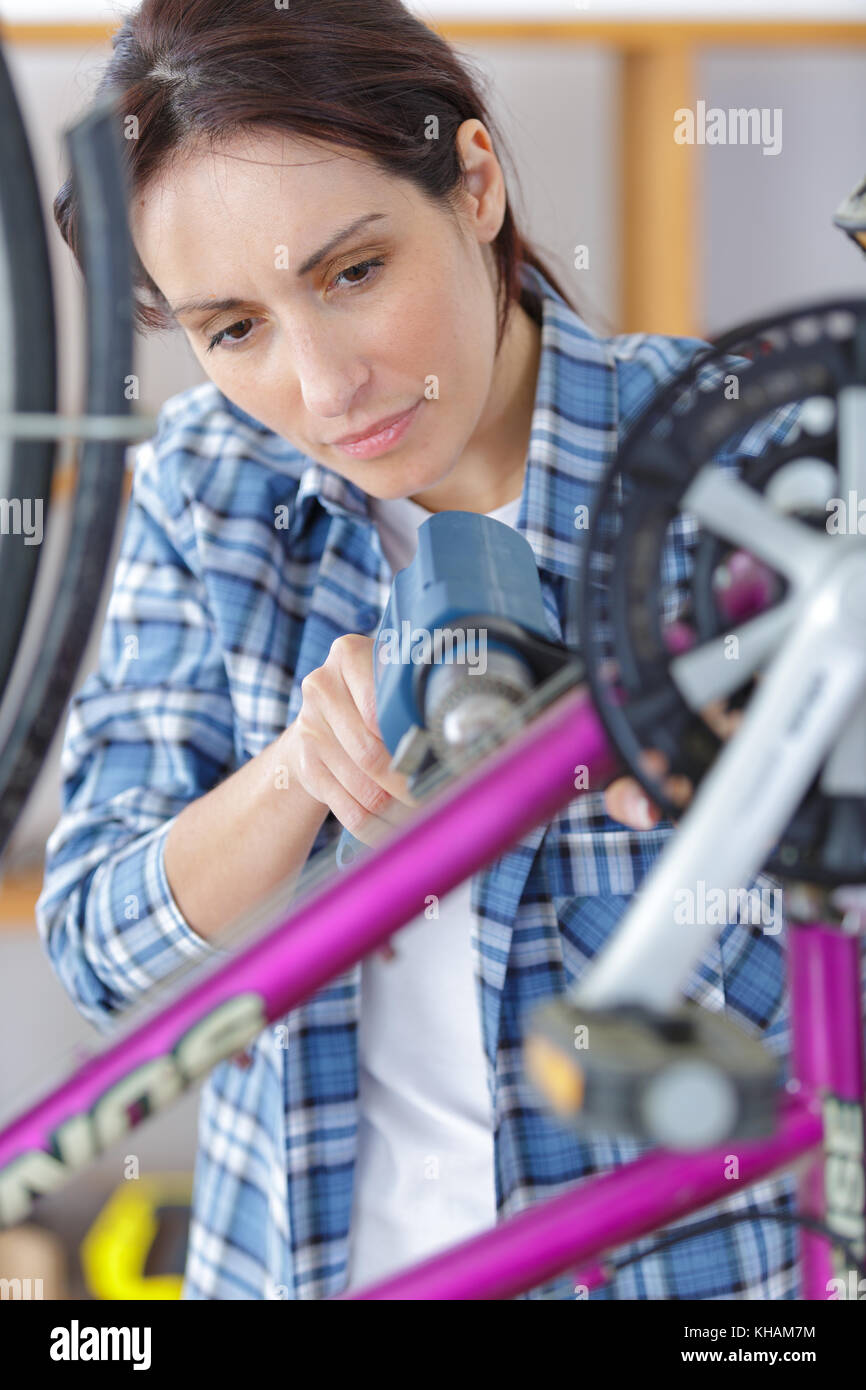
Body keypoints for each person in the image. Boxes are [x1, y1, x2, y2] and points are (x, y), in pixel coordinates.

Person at [39, 0, 800, 1300]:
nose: (322, 384)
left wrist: (739, 800)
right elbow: (98, 951)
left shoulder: (747, 473)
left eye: (351, 273)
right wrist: (293, 775)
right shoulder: (206, 487)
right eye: (234, 328)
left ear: (476, 181)